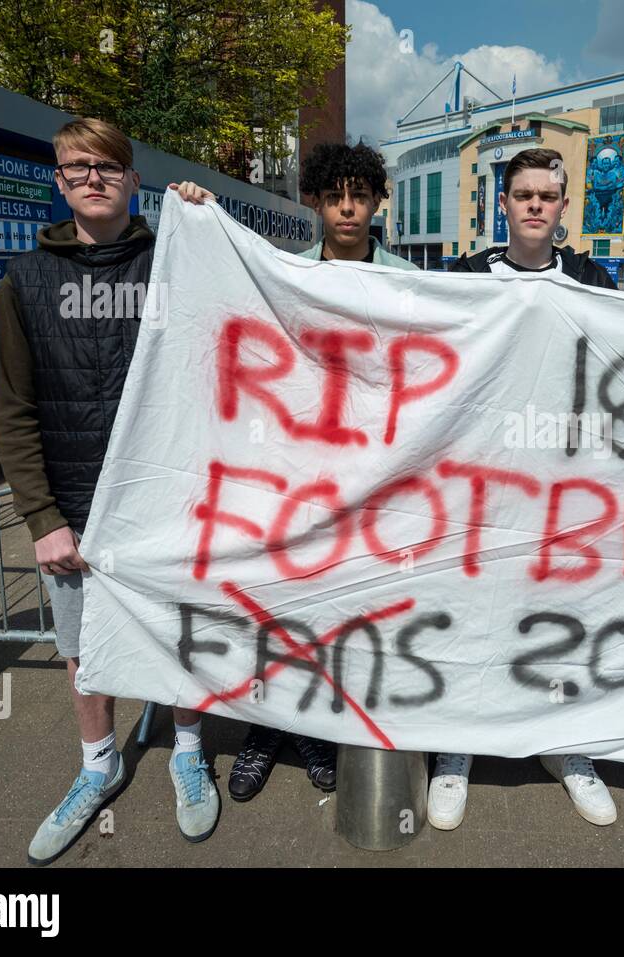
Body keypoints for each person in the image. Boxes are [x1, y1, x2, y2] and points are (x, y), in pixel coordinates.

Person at [0, 118, 220, 865]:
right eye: (77, 167)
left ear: (132, 179)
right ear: (58, 181)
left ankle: (188, 747)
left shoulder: (177, 263)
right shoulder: (25, 283)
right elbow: (13, 410)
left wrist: (206, 219)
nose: (93, 177)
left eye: (108, 166)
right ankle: (99, 764)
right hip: (75, 508)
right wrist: (41, 516)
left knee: (181, 631)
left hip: (171, 501)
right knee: (83, 649)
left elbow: (248, 309)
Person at [223, 141, 419, 803]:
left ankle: (332, 723)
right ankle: (270, 729)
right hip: (295, 469)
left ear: (375, 200)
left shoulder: (407, 278)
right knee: (282, 596)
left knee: (352, 605)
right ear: (314, 199)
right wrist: (196, 210)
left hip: (376, 471)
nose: (346, 208)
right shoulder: (282, 273)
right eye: (335, 196)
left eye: (359, 196)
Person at [428, 147, 617, 832]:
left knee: (562, 615)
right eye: (524, 194)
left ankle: (564, 744)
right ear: (501, 205)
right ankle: (459, 743)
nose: (536, 204)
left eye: (548, 195)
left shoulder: (595, 278)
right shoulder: (465, 277)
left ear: (564, 206)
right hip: (482, 481)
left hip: (566, 486)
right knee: (474, 610)